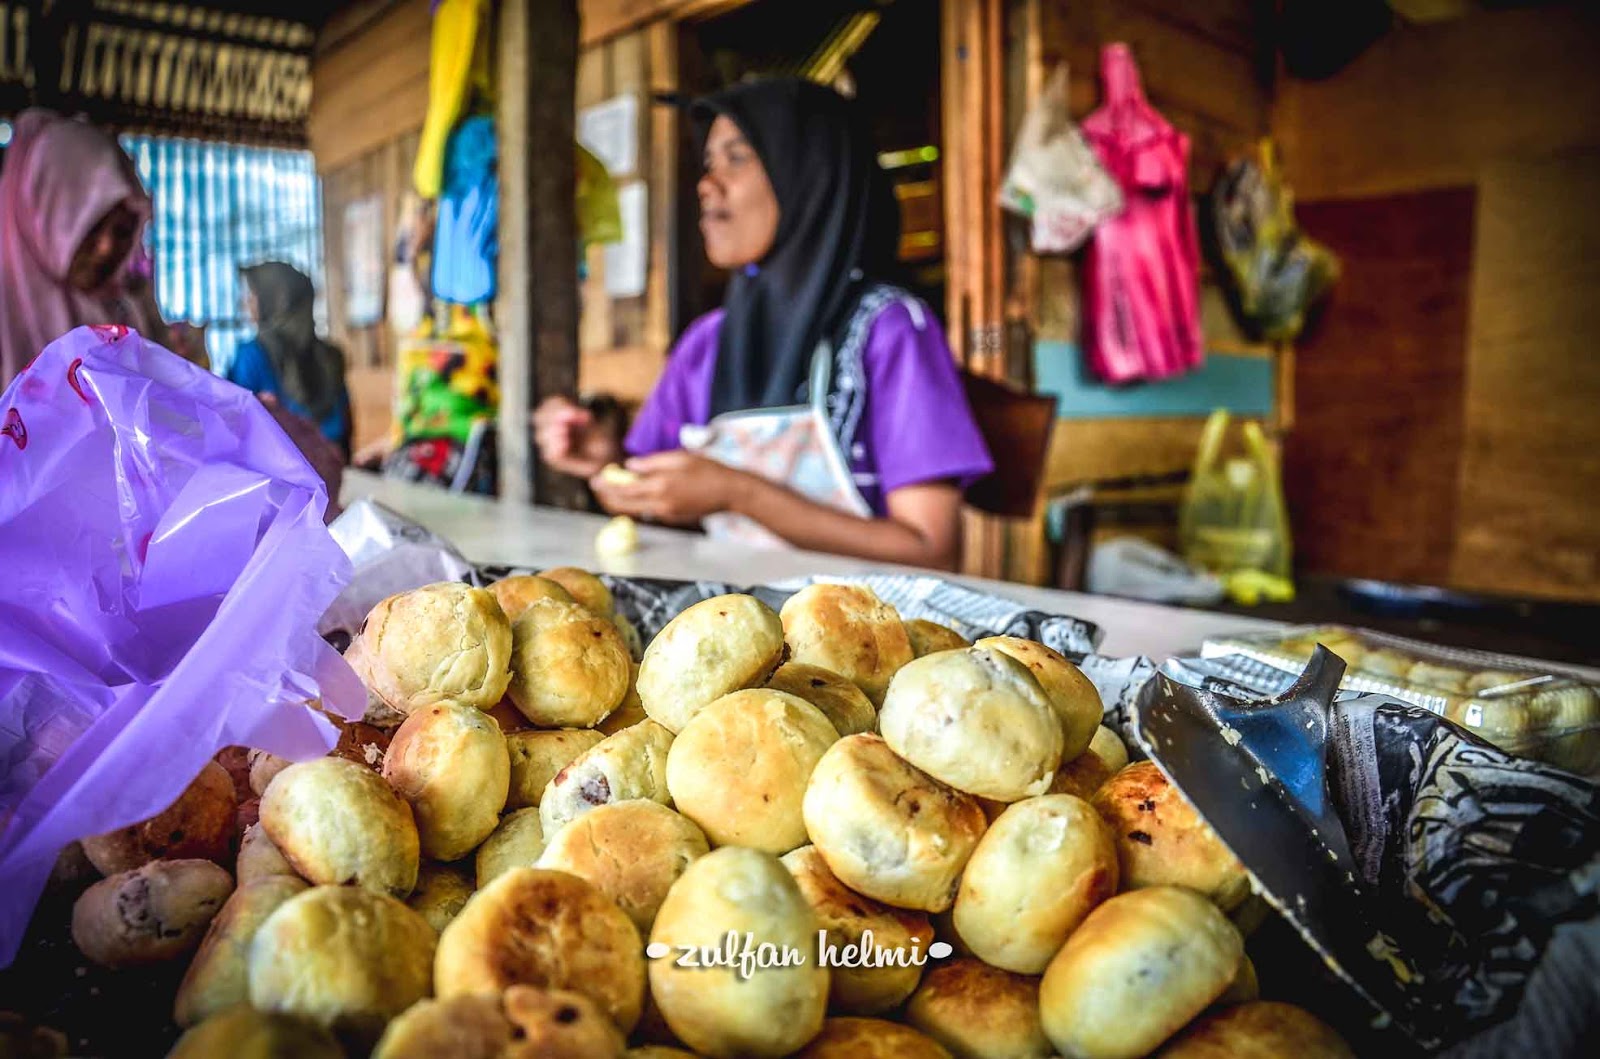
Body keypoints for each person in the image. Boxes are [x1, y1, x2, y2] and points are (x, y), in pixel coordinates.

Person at [534, 78, 992, 571]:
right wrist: (605, 462)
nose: (706, 184)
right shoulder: (707, 343)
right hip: (732, 612)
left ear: (809, 176)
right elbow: (656, 504)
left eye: (736, 158)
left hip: (867, 631)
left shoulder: (889, 330)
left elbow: (933, 548)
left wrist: (738, 493)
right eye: (709, 163)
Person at [0, 109, 174, 387]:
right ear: (40, 212)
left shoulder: (132, 320)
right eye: (89, 225)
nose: (107, 248)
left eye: (123, 231)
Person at [228, 262, 353, 462]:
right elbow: (344, 429)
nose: (247, 303)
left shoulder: (251, 355)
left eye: (253, 295)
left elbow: (235, 427)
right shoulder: (331, 356)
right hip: (332, 469)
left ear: (276, 300)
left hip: (275, 475)